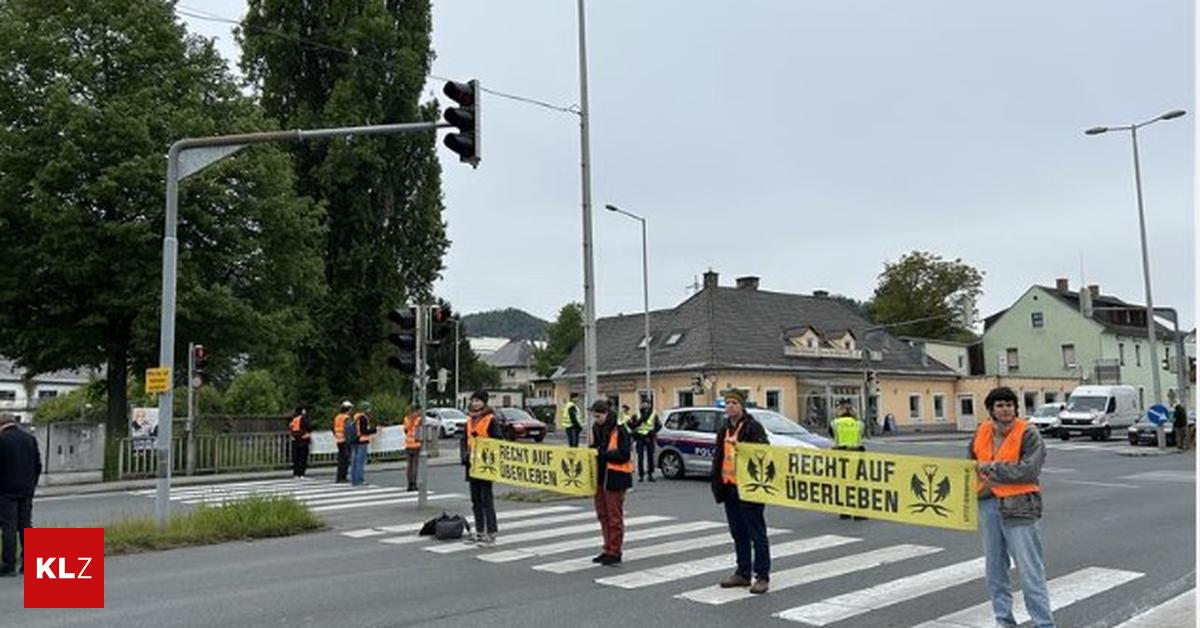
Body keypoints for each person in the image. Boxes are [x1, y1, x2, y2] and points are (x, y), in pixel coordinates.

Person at [969, 386, 1053, 628]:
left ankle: (1043, 624)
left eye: (1009, 405)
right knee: (995, 571)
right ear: (991, 410)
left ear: (1016, 408)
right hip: (988, 503)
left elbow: (1028, 470)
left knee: (1030, 571)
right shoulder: (982, 431)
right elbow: (970, 465)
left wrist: (990, 469)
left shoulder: (1028, 433)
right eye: (1000, 405)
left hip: (1021, 508)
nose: (1005, 409)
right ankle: (1004, 621)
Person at [711, 389, 771, 594]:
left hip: (749, 488)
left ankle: (762, 576)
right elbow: (719, 456)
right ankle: (743, 573)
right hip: (729, 487)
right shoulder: (724, 428)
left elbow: (764, 451)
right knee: (738, 532)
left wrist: (743, 446)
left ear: (742, 406)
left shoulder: (753, 427)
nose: (730, 407)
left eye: (734, 403)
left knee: (757, 533)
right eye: (727, 403)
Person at [590, 400, 632, 565]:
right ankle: (607, 547)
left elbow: (624, 454)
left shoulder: (620, 429)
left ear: (606, 413)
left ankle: (615, 551)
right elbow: (595, 448)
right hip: (600, 477)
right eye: (594, 416)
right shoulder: (596, 428)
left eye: (598, 416)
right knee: (603, 515)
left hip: (616, 478)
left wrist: (602, 454)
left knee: (614, 516)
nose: (596, 419)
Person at [0, 415, 41, 577]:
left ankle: (9, 564)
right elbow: (38, 465)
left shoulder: (2, 440)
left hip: (5, 490)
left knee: (8, 527)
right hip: (26, 489)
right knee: (26, 526)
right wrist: (31, 484)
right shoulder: (29, 439)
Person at [463, 390, 501, 545]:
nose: (475, 403)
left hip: (486, 465)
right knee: (476, 500)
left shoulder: (491, 419)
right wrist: (464, 456)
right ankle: (480, 532)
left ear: (484, 403)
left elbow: (498, 440)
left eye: (479, 400)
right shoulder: (469, 420)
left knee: (487, 500)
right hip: (472, 465)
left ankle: (491, 533)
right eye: (474, 400)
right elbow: (464, 440)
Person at [830, 402, 866, 520]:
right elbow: (861, 436)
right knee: (857, 484)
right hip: (856, 455)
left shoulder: (835, 423)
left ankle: (844, 511)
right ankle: (858, 512)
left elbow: (832, 435)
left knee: (843, 484)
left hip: (840, 456)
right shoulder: (859, 424)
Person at [631, 397, 662, 482]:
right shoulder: (637, 414)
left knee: (650, 456)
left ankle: (650, 474)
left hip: (649, 437)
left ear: (650, 405)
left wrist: (653, 432)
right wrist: (639, 421)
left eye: (647, 403)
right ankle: (641, 475)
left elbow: (659, 425)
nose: (645, 405)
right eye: (644, 403)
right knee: (640, 457)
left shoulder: (653, 414)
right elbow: (632, 426)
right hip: (640, 437)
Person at [349, 401, 377, 486]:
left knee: (354, 461)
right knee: (360, 462)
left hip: (354, 440)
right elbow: (364, 431)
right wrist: (374, 430)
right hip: (362, 441)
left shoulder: (355, 417)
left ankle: (353, 479)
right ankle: (359, 480)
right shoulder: (363, 418)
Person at [403, 404, 424, 491]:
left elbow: (405, 430)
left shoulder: (406, 419)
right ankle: (414, 484)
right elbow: (421, 431)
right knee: (415, 465)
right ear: (417, 410)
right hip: (416, 444)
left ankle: (409, 484)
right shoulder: (419, 419)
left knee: (409, 465)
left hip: (408, 444)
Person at [288, 406, 312, 478]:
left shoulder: (294, 419)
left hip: (295, 439)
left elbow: (290, 427)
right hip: (303, 439)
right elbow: (309, 427)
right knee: (303, 457)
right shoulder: (303, 419)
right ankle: (301, 473)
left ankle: (296, 473)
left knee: (296, 458)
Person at [332, 401, 353, 483]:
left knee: (341, 459)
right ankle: (342, 478)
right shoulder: (347, 418)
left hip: (338, 439)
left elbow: (333, 428)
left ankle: (339, 476)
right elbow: (348, 430)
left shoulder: (337, 417)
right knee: (345, 460)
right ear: (348, 409)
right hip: (345, 440)